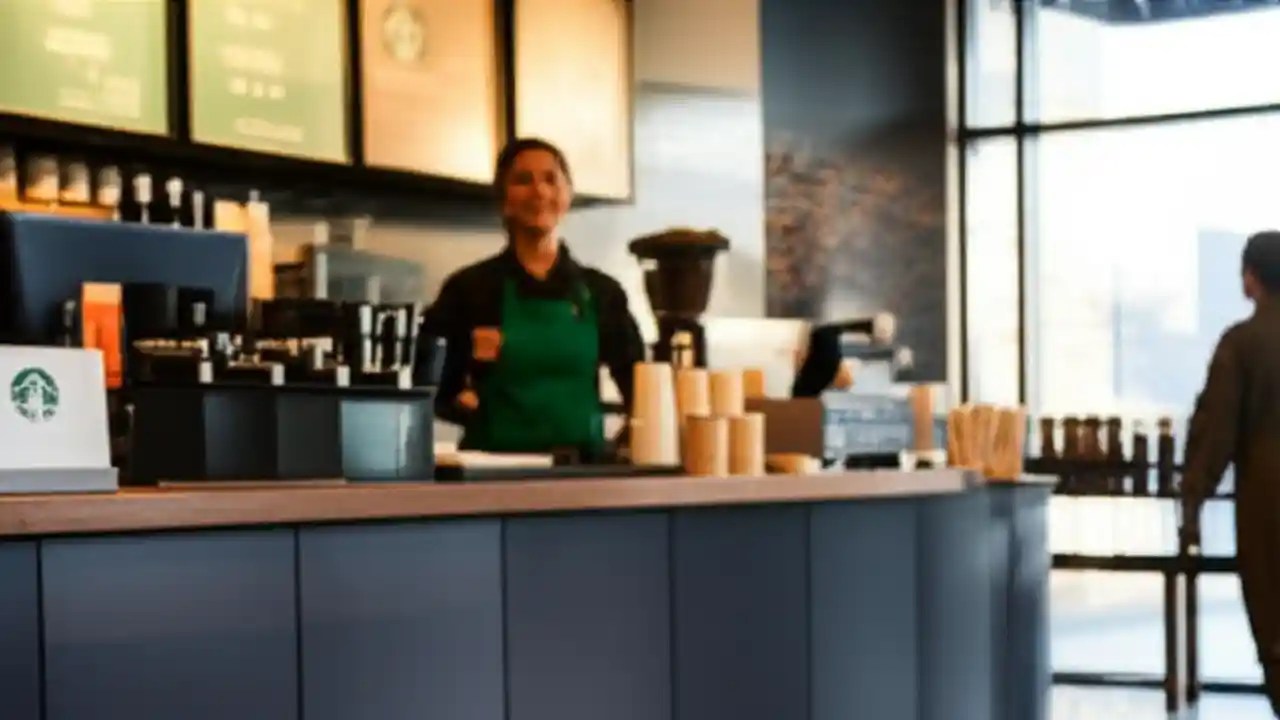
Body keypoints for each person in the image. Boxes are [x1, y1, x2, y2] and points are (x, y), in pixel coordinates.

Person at [418, 137, 644, 456]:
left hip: (583, 474)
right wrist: (470, 388)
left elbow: (642, 390)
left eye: (551, 179)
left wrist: (624, 444)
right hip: (493, 474)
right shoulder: (469, 289)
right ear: (503, 199)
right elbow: (429, 389)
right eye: (523, 180)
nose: (539, 191)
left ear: (567, 195)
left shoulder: (601, 292)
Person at [1181, 230, 1280, 715]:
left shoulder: (1241, 345)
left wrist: (1192, 502)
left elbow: (1215, 432)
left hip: (1268, 511)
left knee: (1277, 636)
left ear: (1251, 278)